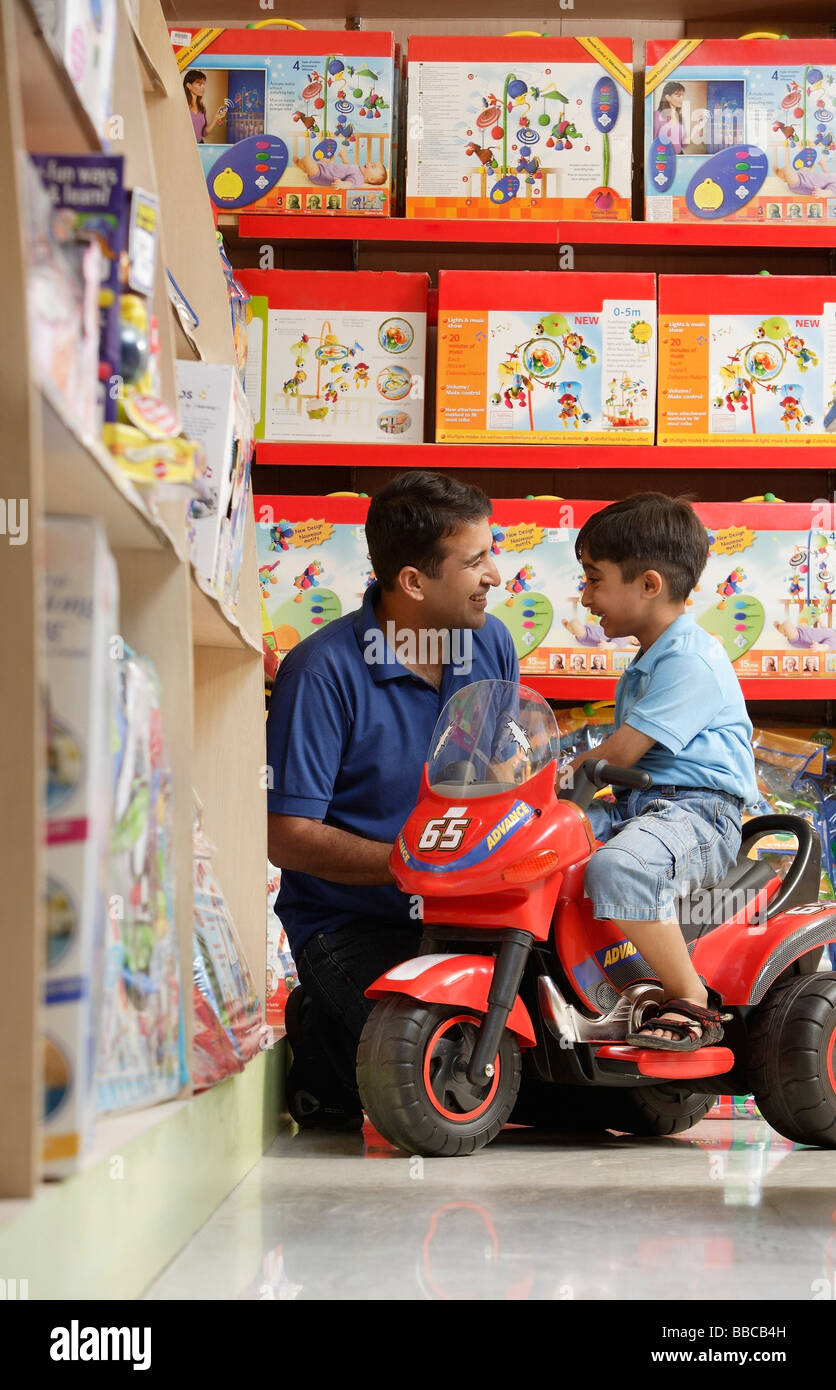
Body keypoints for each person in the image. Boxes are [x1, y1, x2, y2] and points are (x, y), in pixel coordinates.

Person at [266, 472, 518, 1127]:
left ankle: (342, 1040)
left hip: (472, 917)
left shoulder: (490, 641)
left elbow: (501, 774)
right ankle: (321, 1033)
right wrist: (411, 863)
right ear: (412, 582)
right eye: (476, 561)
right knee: (460, 1072)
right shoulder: (321, 673)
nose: (496, 574)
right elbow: (288, 834)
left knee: (557, 1067)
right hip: (351, 922)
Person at [570, 494, 758, 1051]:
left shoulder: (689, 660)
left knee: (618, 870)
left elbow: (619, 755)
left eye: (594, 579)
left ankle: (690, 998)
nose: (585, 597)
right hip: (643, 807)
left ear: (649, 584)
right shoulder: (651, 656)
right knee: (544, 855)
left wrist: (555, 777)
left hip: (697, 814)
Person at [294, 151, 387, 189]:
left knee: (307, 159)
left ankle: (301, 165)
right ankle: (304, 166)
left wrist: (342, 184)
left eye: (373, 166)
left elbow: (350, 184)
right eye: (372, 162)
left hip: (320, 174)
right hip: (325, 167)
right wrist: (344, 158)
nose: (369, 163)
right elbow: (348, 166)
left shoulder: (359, 179)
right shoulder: (357, 169)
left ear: (370, 179)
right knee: (324, 160)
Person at [183, 70, 227, 143]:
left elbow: (204, 133)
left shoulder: (201, 107)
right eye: (199, 84)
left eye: (203, 84)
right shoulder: (182, 107)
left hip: (200, 145)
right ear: (189, 85)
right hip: (186, 147)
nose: (203, 87)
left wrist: (216, 117)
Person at [653, 82, 685, 154]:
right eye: (678, 95)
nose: (682, 99)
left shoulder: (680, 117)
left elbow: (684, 144)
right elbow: (652, 144)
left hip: (679, 156)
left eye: (683, 95)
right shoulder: (656, 116)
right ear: (667, 97)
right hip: (663, 158)